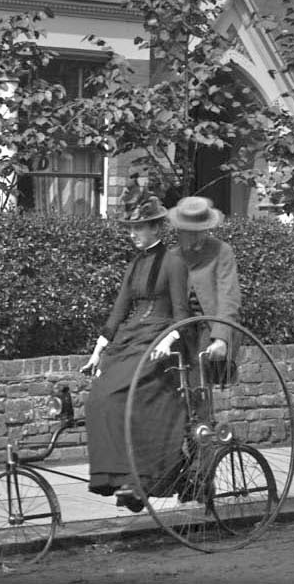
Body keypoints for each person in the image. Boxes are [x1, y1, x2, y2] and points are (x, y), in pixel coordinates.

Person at [81, 196, 189, 511]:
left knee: (121, 398)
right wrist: (98, 351)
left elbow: (182, 312)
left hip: (158, 342)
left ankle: (138, 477)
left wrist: (168, 341)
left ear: (157, 227)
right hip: (130, 340)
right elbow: (118, 311)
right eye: (131, 228)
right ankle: (115, 476)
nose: (133, 234)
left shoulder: (174, 261)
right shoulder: (136, 264)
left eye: (139, 228)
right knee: (98, 397)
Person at [168, 196, 241, 380]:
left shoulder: (221, 251)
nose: (197, 236)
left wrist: (221, 338)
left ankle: (201, 406)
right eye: (190, 232)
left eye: (201, 231)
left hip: (211, 325)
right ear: (180, 230)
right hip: (180, 327)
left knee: (200, 376)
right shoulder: (172, 256)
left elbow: (228, 297)